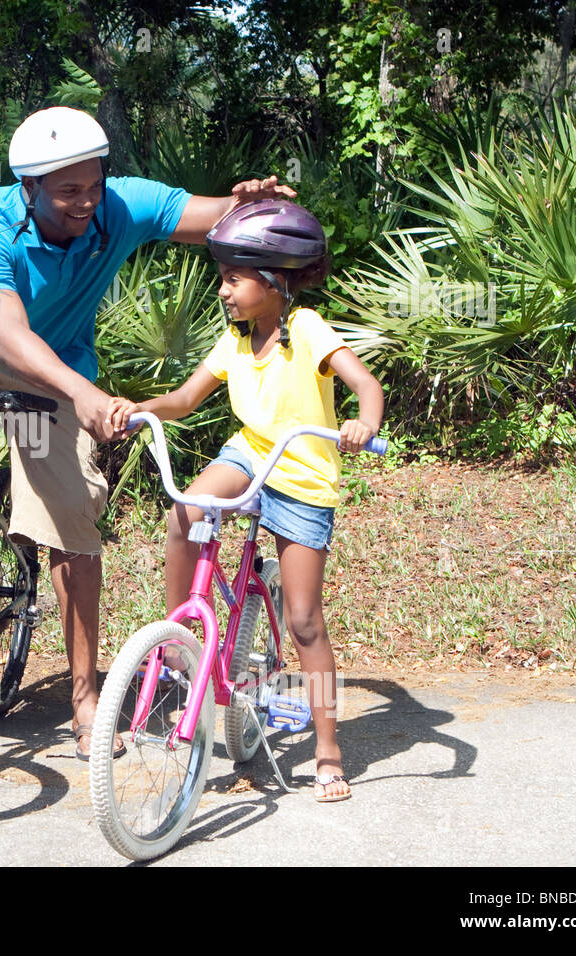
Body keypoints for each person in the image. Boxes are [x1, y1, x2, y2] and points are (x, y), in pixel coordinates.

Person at [0, 106, 295, 761]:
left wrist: (247, 205)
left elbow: (207, 216)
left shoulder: (120, 208)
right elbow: (5, 334)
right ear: (29, 188)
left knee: (74, 520)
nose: (84, 202)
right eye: (66, 190)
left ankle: (84, 698)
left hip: (55, 372)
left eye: (93, 185)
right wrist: (86, 394)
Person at [107, 199, 384, 801]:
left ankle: (329, 750)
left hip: (303, 470)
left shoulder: (307, 329)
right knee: (186, 509)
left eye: (235, 279)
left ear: (274, 281)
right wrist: (137, 410)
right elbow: (183, 400)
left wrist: (363, 423)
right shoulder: (233, 342)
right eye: (223, 279)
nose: (225, 291)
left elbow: (366, 385)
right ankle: (179, 641)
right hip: (250, 453)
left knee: (305, 620)